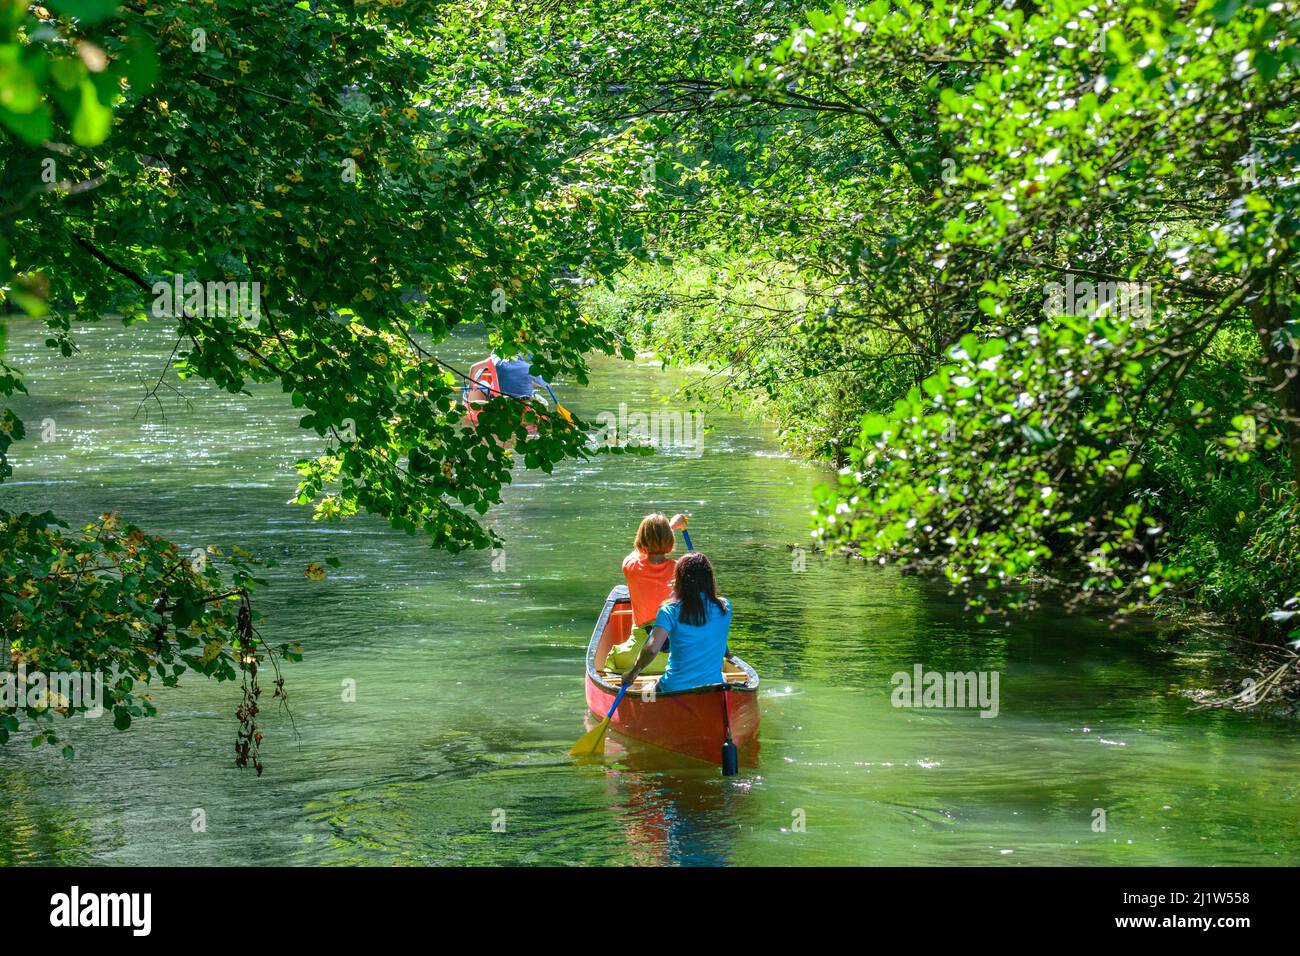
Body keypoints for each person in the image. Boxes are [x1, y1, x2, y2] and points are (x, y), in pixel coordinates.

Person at [621, 551, 731, 693]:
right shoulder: (725, 607)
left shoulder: (670, 611)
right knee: (724, 679)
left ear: (679, 580)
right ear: (709, 579)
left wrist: (633, 673)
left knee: (647, 689)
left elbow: (651, 649)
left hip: (674, 689)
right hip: (712, 687)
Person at [606, 512, 688, 675]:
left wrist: (670, 527)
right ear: (670, 541)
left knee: (612, 661)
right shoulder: (681, 569)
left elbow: (638, 552)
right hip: (675, 653)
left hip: (637, 654)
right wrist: (671, 527)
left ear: (640, 541)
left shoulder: (631, 567)